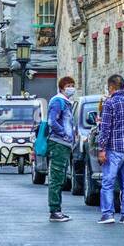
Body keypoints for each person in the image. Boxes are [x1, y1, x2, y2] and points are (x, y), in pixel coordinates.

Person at [95, 74, 124, 225]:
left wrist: (101, 149)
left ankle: (108, 214)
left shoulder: (110, 103)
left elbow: (105, 128)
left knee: (108, 182)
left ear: (112, 87)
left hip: (115, 148)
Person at [44, 76, 76, 223]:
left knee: (60, 177)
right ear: (62, 88)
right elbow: (52, 121)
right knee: (56, 178)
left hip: (64, 144)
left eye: (72, 85)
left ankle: (58, 210)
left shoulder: (65, 102)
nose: (71, 88)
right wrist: (64, 134)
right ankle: (54, 211)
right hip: (59, 143)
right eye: (68, 85)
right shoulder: (58, 101)